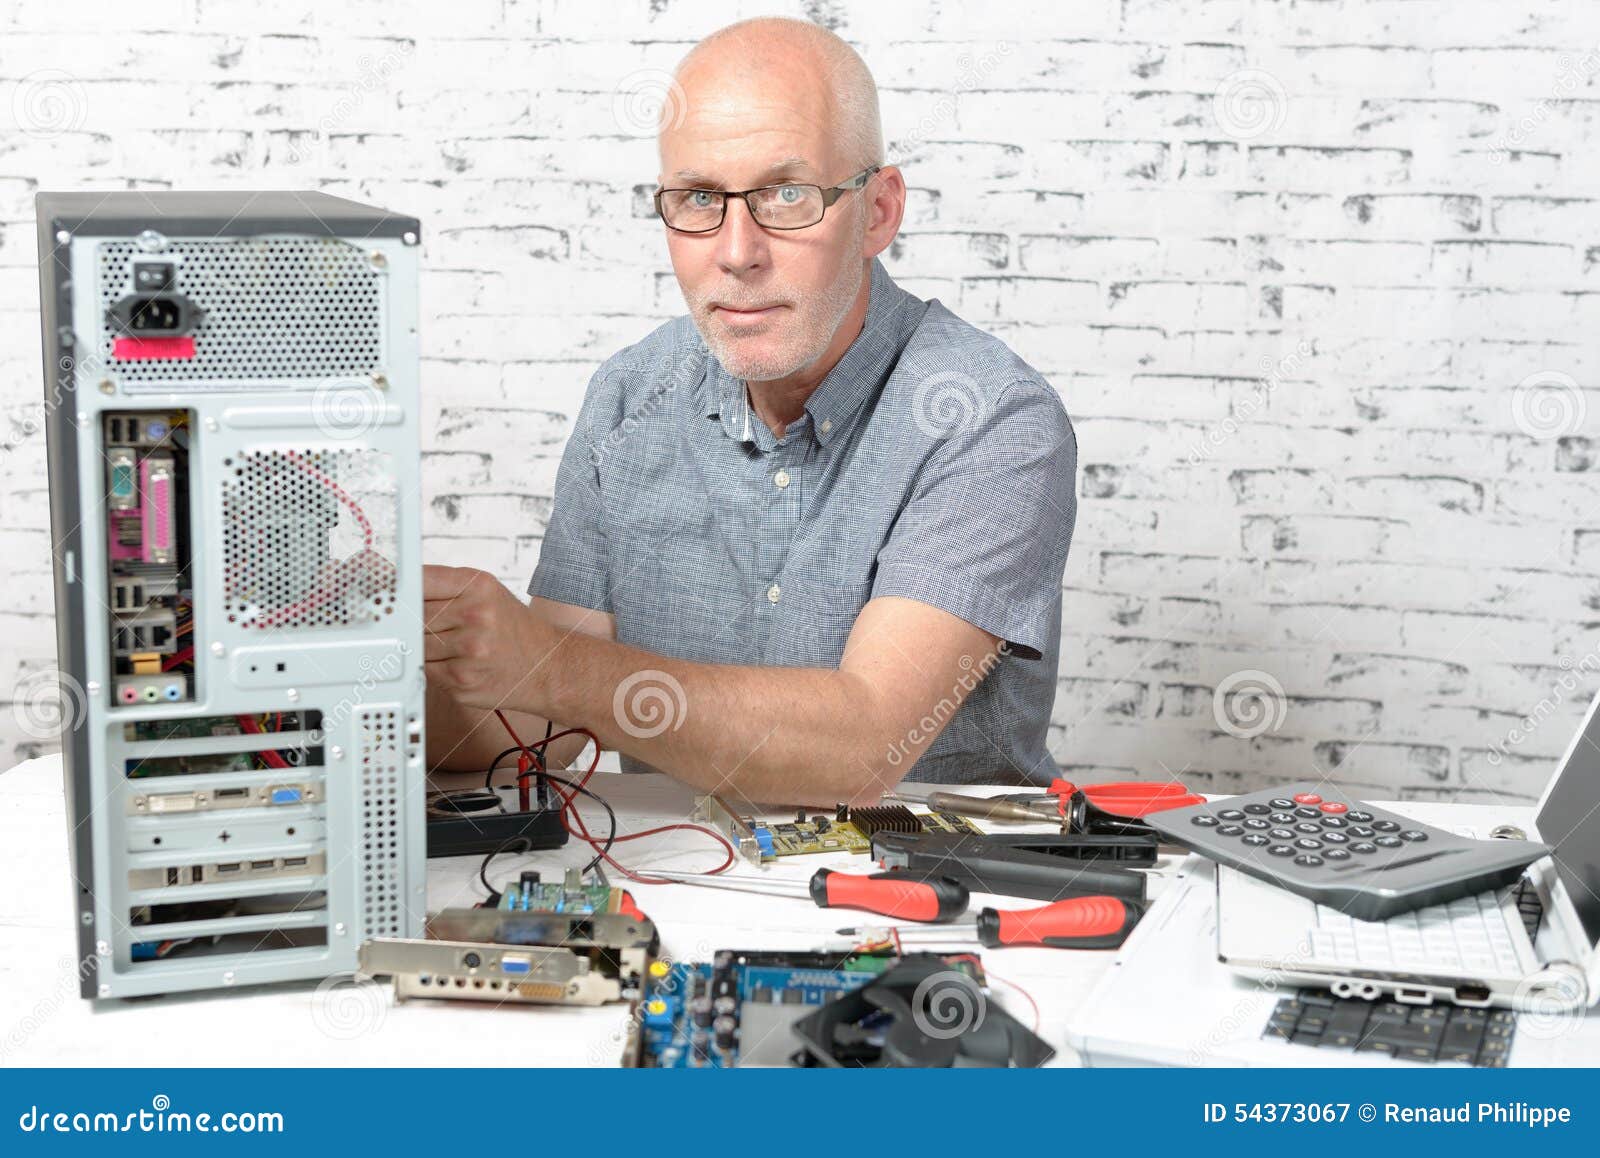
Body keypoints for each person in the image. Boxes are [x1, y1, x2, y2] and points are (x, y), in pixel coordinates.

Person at [424, 17, 1076, 805]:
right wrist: (338, 675)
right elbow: (541, 724)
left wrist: (546, 664)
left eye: (787, 195)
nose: (737, 251)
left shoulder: (989, 418)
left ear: (877, 212)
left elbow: (863, 748)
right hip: (677, 889)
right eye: (700, 197)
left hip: (936, 895)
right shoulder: (631, 398)